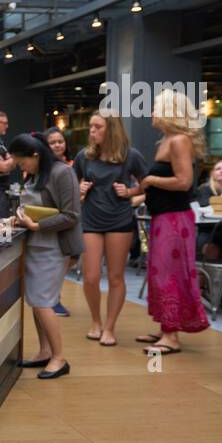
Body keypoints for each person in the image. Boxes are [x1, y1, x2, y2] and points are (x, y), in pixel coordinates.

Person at [134, 89, 209, 355]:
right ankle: (166, 326)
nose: (152, 113)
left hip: (175, 219)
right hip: (163, 217)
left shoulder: (179, 140)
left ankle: (171, 336)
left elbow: (184, 181)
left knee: (170, 273)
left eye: (156, 108)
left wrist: (151, 181)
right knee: (159, 273)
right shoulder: (167, 140)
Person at [6, 132, 83, 379]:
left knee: (42, 302)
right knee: (37, 302)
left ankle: (59, 358)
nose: (21, 167)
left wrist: (37, 226)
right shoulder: (38, 173)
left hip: (53, 248)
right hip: (36, 246)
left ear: (36, 155)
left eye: (22, 162)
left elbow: (71, 215)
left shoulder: (62, 173)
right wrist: (19, 219)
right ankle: (44, 351)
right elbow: (35, 209)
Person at [74, 111, 148, 346]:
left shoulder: (130, 156)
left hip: (119, 220)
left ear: (111, 129)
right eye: (91, 127)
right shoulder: (84, 157)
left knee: (116, 276)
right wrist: (80, 190)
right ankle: (95, 321)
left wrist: (130, 192)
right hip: (91, 220)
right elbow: (70, 187)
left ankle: (110, 327)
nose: (92, 131)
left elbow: (148, 184)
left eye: (97, 127)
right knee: (91, 276)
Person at [44, 127, 75, 316]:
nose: (57, 145)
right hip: (52, 218)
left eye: (60, 141)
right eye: (53, 142)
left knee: (71, 257)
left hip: (73, 216)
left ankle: (53, 295)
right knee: (57, 258)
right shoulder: (43, 166)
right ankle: (53, 298)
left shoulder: (73, 164)